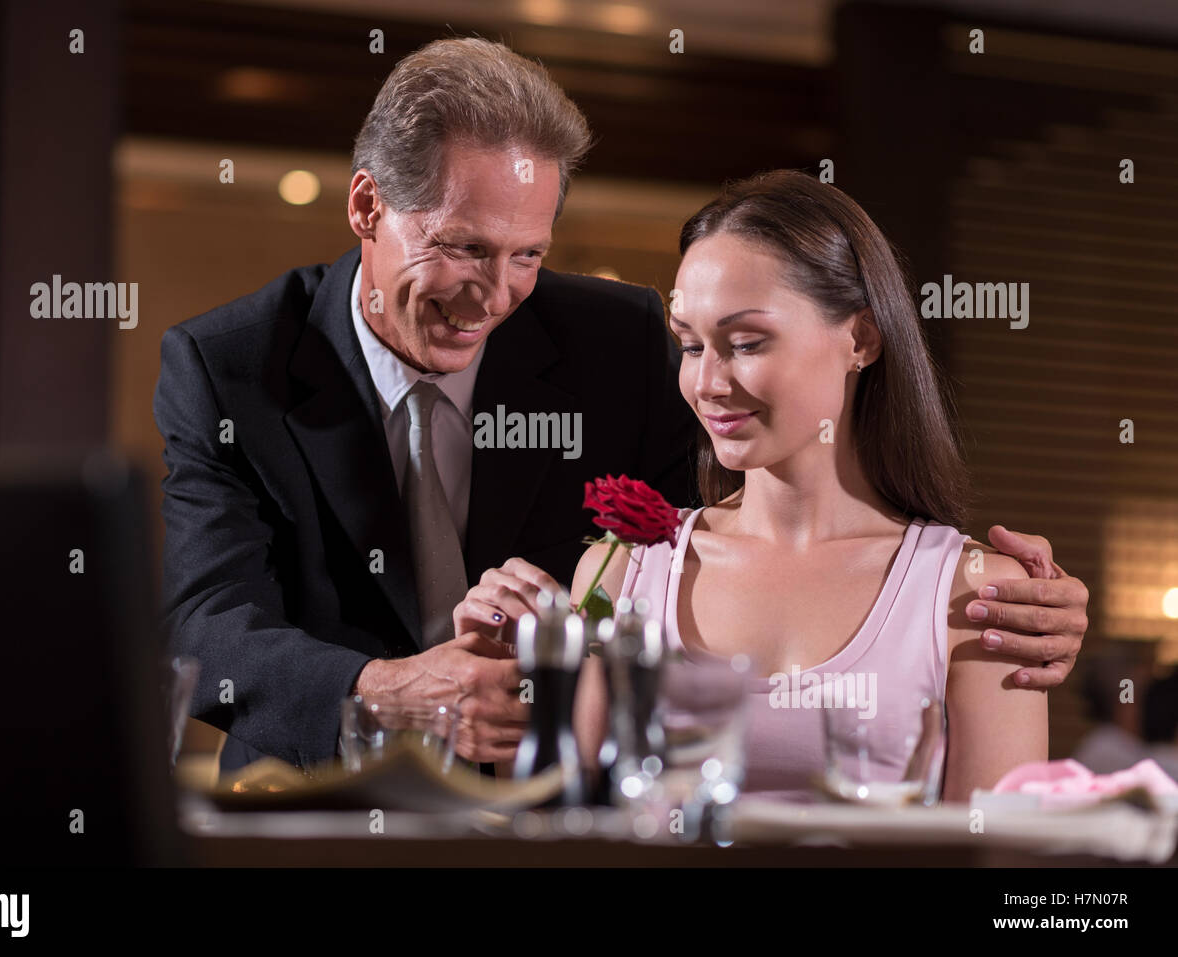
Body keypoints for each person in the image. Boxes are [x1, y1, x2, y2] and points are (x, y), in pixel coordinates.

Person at [156, 38, 1088, 774]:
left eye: (527, 254)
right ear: (366, 207)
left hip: (545, 824)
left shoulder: (619, 340)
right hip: (320, 809)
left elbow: (791, 480)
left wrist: (1004, 598)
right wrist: (388, 690)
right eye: (464, 248)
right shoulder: (229, 365)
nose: (494, 294)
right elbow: (206, 625)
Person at [560, 170, 1044, 801]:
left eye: (746, 343)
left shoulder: (972, 592)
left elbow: (998, 858)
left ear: (860, 339)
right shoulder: (620, 573)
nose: (707, 383)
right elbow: (569, 828)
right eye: (690, 346)